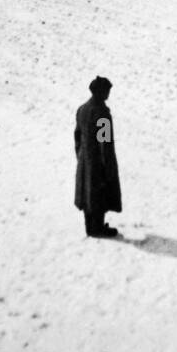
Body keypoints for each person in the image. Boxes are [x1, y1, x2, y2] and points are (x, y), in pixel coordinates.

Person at [74, 76, 121, 240]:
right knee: (98, 195)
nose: (108, 94)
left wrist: (80, 156)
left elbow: (77, 136)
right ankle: (98, 228)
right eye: (107, 91)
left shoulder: (82, 109)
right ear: (101, 92)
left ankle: (90, 227)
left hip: (84, 160)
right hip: (97, 163)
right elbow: (105, 143)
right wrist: (107, 166)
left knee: (87, 195)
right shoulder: (102, 113)